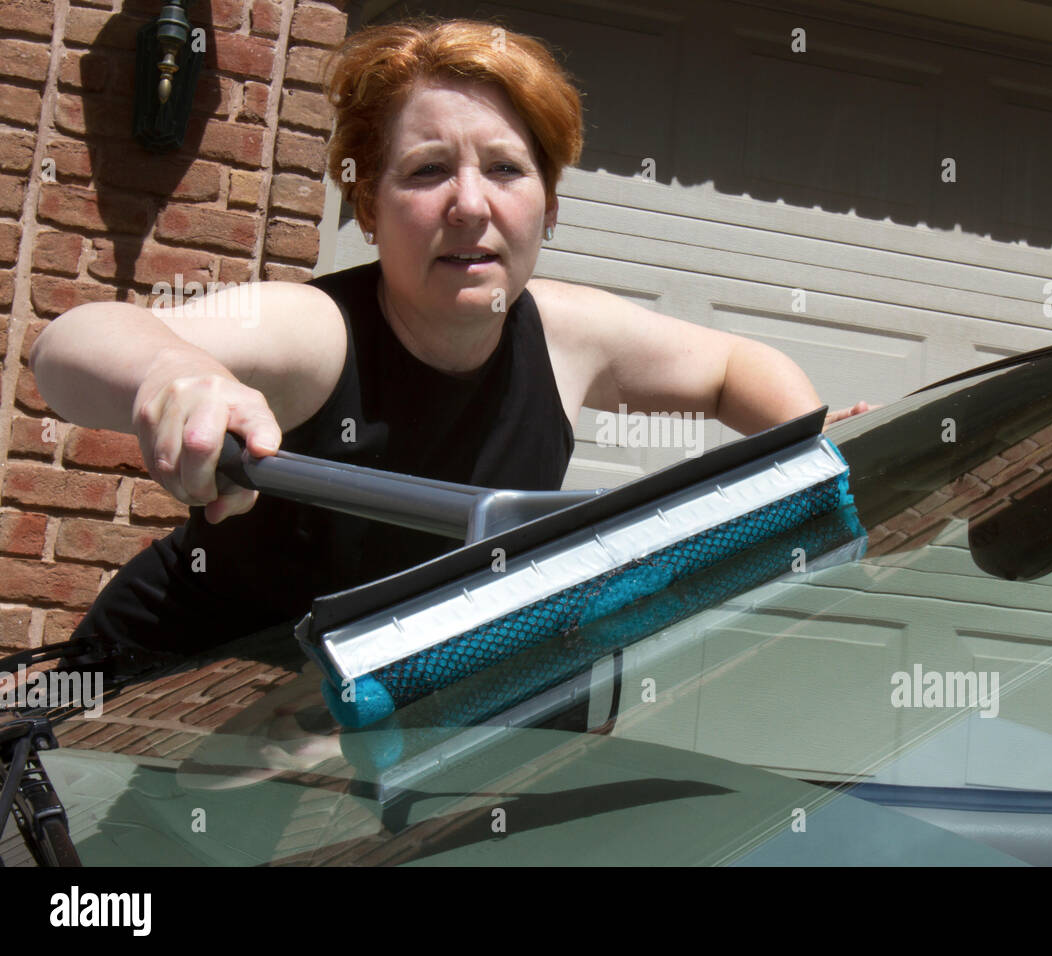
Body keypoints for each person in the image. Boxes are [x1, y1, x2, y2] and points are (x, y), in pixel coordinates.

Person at [31, 19, 871, 674]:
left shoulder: (573, 335)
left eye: (505, 170)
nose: (470, 205)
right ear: (370, 207)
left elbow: (735, 368)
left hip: (343, 718)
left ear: (549, 204)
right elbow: (70, 344)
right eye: (428, 171)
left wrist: (815, 456)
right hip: (158, 693)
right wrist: (176, 372)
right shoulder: (319, 334)